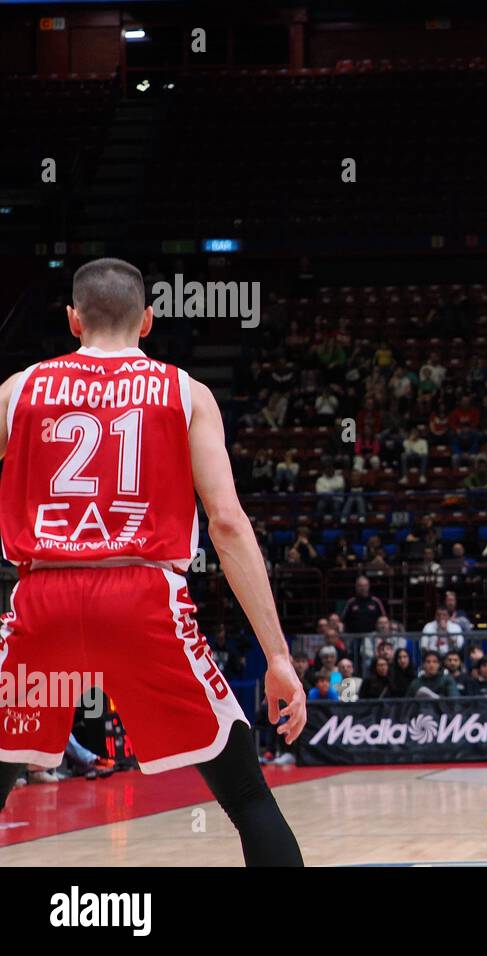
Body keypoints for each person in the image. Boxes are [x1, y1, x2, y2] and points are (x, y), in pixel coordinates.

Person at [0, 258, 305, 866]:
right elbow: (226, 523)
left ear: (72, 319)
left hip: (43, 599)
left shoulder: (17, 390)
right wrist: (276, 656)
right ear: (147, 321)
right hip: (144, 598)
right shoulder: (185, 393)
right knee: (245, 792)